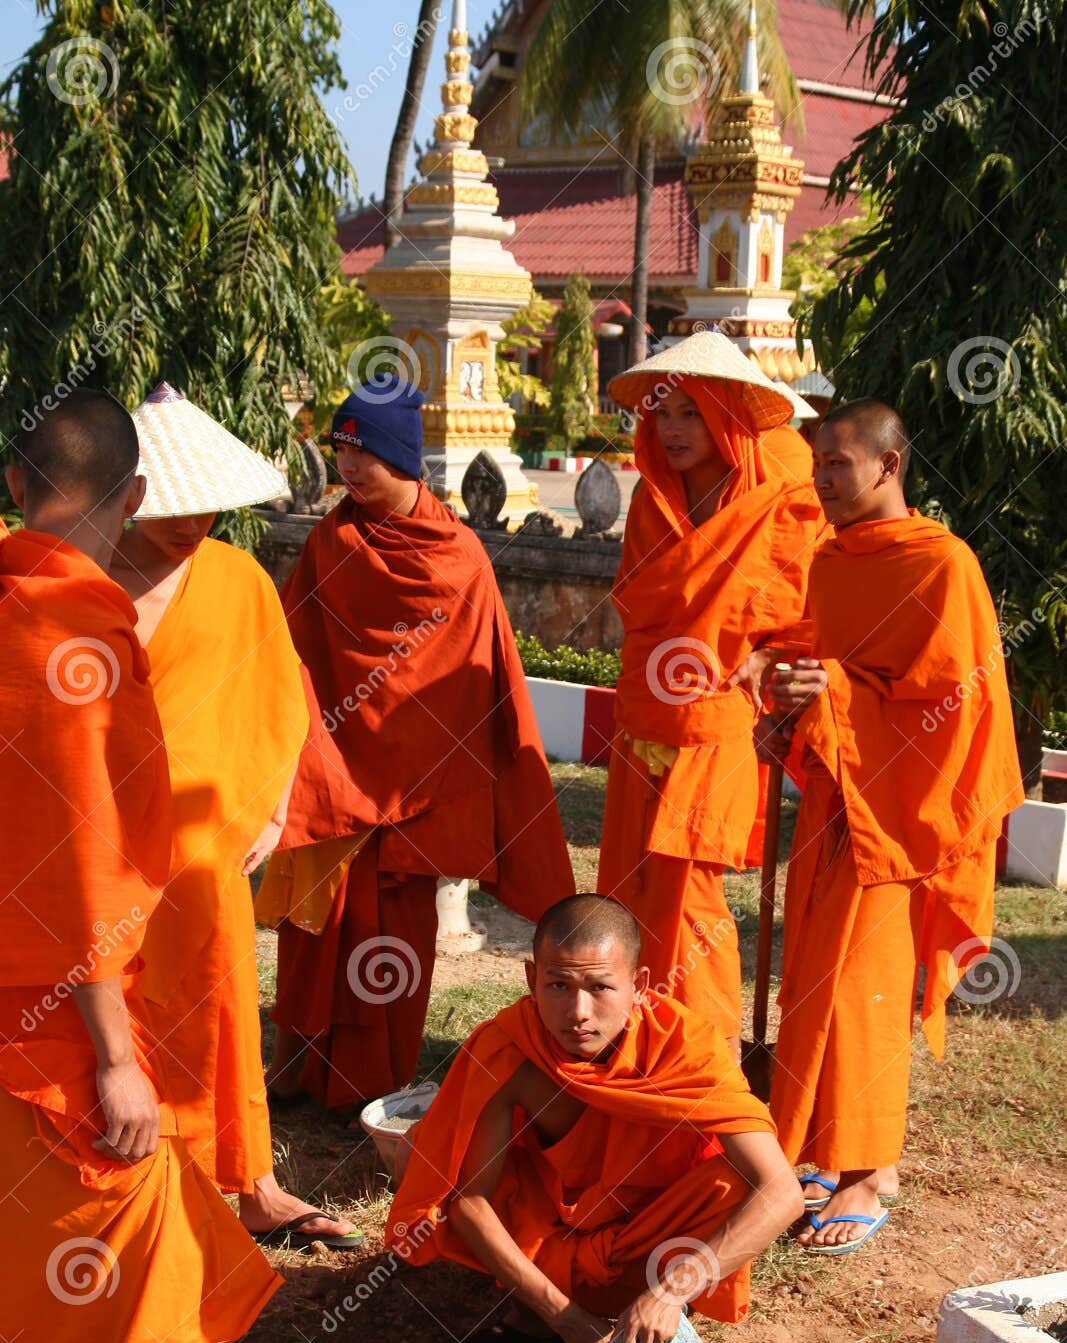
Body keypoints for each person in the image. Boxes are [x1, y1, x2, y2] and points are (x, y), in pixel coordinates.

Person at [0, 390, 337, 1343]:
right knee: (147, 1261)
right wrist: (113, 1053)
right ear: (133, 495)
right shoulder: (71, 636)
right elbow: (80, 864)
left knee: (23, 1244)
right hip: (56, 1020)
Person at [258, 375, 574, 1109]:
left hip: (416, 791)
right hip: (332, 774)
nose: (346, 467)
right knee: (314, 933)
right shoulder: (330, 542)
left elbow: (473, 682)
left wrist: (416, 779)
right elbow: (292, 655)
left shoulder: (456, 555)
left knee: (389, 942)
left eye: (359, 453)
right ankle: (298, 1067)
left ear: (401, 457)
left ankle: (370, 1085)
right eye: (338, 451)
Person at [762, 399, 1024, 1253]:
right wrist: (789, 714)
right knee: (812, 970)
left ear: (888, 464)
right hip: (840, 799)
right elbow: (831, 667)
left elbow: (952, 704)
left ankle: (872, 1167)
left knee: (864, 986)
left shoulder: (940, 564)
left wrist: (832, 692)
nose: (823, 481)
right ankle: (817, 1143)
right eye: (816, 466)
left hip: (903, 807)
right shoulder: (833, 561)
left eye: (838, 464)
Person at [110, 382, 359, 1248]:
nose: (194, 523)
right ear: (127, 492)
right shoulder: (83, 572)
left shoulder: (236, 576)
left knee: (215, 1002)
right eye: (175, 505)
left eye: (209, 505)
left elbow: (277, 699)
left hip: (207, 834)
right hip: (99, 835)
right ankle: (134, 1171)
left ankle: (253, 1182)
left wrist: (271, 805)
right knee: (108, 1006)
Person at [386, 893, 803, 1343]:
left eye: (600, 987)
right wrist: (563, 1317)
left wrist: (673, 1290)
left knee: (732, 1180)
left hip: (646, 1244)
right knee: (424, 1159)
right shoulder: (509, 1048)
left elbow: (782, 1190)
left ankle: (642, 1311)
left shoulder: (684, 1049)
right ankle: (532, 1319)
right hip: (546, 1233)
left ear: (639, 986)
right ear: (529, 979)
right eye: (557, 985)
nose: (577, 1013)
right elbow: (471, 1200)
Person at [596, 331, 826, 1059]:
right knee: (630, 893)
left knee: (690, 899)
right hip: (643, 715)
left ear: (727, 413)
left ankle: (703, 1053)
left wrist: (768, 659)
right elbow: (638, 607)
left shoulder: (783, 500)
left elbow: (811, 614)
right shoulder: (650, 499)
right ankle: (636, 1041)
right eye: (662, 412)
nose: (670, 429)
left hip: (722, 722)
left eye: (690, 413)